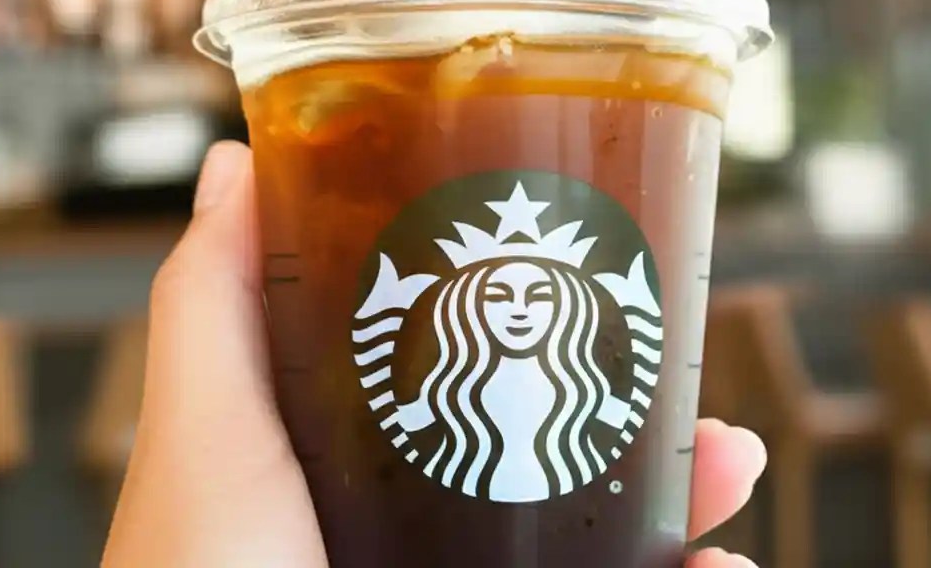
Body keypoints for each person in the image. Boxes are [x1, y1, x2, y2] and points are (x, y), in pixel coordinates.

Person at [102, 142, 768, 568]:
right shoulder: (430, 413)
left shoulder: (585, 410)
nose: (517, 308)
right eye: (496, 291)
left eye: (539, 291)